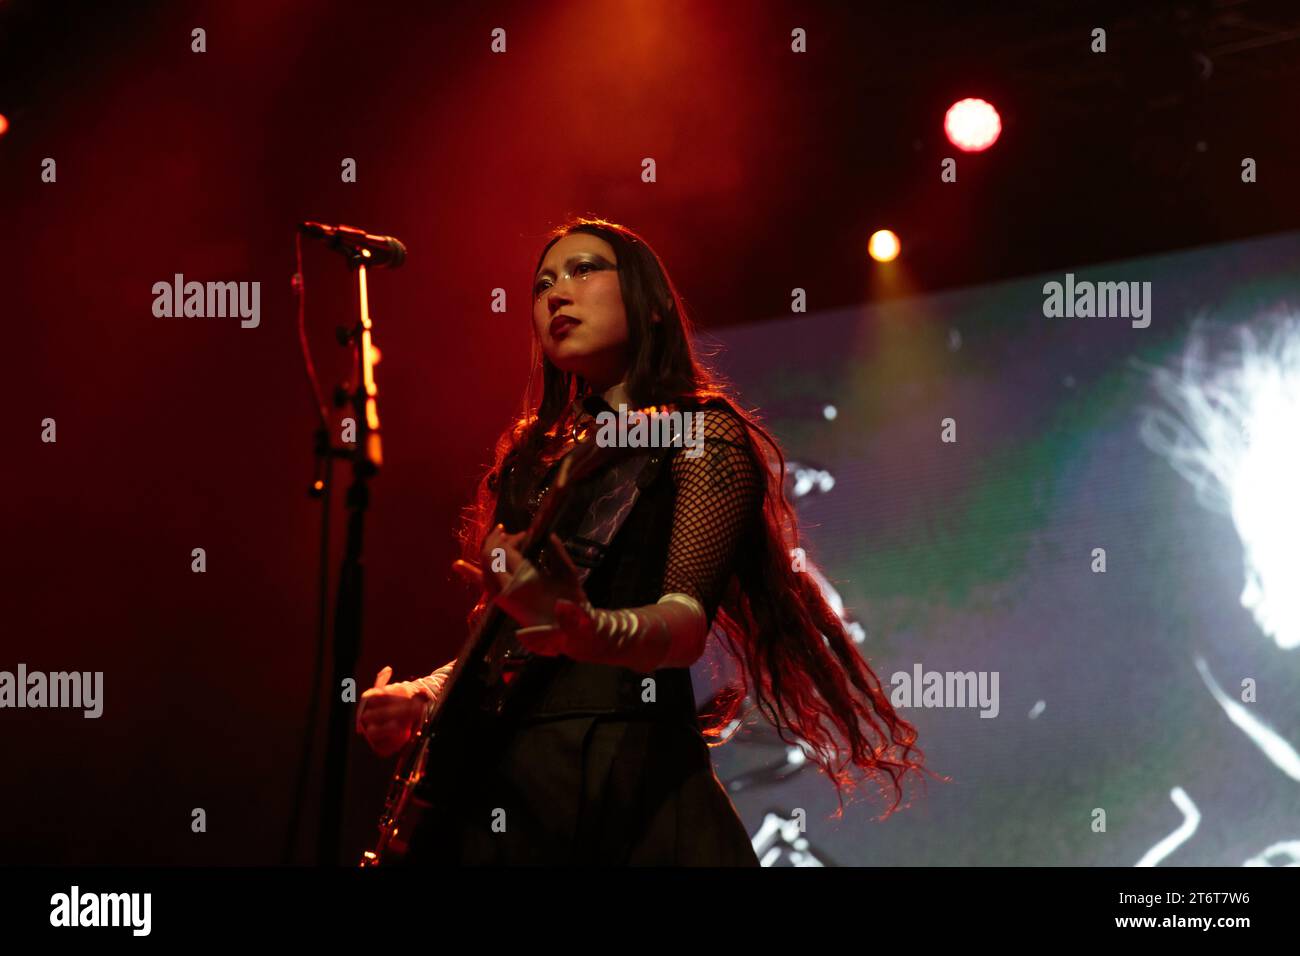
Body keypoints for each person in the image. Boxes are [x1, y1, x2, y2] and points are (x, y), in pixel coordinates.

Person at [356, 217, 932, 865]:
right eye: (543, 282)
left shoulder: (701, 434)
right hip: (507, 787)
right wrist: (425, 695)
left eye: (583, 270)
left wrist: (583, 629)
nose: (556, 294)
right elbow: (499, 637)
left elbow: (684, 628)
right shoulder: (530, 460)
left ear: (649, 302)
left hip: (625, 769)